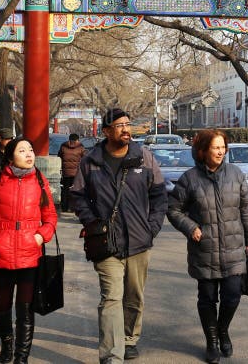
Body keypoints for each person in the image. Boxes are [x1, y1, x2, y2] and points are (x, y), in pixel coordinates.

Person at [70, 108, 167, 363]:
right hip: (105, 242)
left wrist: (152, 227)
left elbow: (159, 196)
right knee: (111, 297)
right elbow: (78, 196)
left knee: (134, 296)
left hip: (138, 240)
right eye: (120, 125)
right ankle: (111, 354)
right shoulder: (90, 161)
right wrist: (91, 222)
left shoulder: (144, 158)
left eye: (128, 124)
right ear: (106, 131)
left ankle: (129, 338)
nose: (126, 129)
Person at [167, 129, 248, 364]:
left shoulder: (236, 175)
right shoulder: (189, 179)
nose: (220, 151)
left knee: (232, 297)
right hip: (204, 249)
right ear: (202, 151)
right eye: (215, 147)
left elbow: (246, 212)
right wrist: (190, 227)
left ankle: (223, 330)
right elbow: (174, 209)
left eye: (222, 147)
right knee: (207, 298)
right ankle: (212, 341)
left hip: (234, 248)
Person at [0, 137, 58, 364]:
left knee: (25, 308)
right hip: (1, 254)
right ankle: (7, 342)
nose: (29, 154)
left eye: (30, 149)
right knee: (1, 305)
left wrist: (41, 236)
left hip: (30, 254)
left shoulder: (39, 181)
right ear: (11, 157)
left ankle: (22, 357)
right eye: (23, 150)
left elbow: (50, 215)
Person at [57, 133, 85, 213]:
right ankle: (72, 208)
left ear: (69, 139)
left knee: (65, 189)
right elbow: (84, 158)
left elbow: (60, 156)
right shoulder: (80, 147)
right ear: (77, 139)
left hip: (66, 172)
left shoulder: (63, 146)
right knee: (75, 190)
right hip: (76, 173)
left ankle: (64, 207)